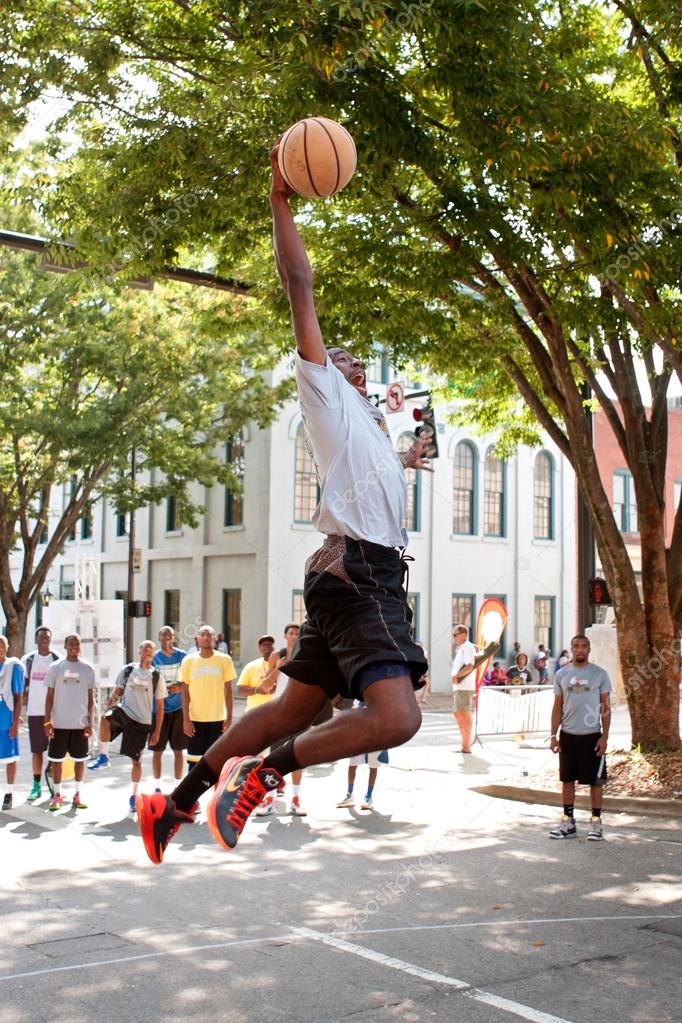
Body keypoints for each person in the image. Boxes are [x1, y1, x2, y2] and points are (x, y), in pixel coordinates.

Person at [135, 141, 430, 864]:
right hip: (359, 573)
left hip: (349, 573)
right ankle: (262, 777)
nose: (350, 360)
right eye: (342, 355)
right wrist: (279, 200)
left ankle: (174, 804)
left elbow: (379, 472)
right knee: (397, 718)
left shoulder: (370, 427)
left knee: (292, 708)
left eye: (355, 359)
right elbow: (299, 281)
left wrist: (409, 453)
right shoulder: (326, 392)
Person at [549, 634, 611, 841]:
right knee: (567, 780)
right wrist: (553, 735)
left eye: (584, 646)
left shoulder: (600, 674)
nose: (580, 649)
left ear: (589, 649)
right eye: (576, 646)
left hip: (591, 735)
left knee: (595, 782)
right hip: (568, 736)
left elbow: (605, 707)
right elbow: (557, 707)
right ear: (572, 649)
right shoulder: (561, 674)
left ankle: (596, 823)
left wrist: (604, 737)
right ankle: (568, 823)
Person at [100, 640, 167, 813]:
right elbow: (118, 691)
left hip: (142, 722)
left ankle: (133, 795)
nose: (147, 651)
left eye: (150, 649)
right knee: (105, 719)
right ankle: (103, 756)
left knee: (136, 761)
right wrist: (111, 702)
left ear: (154, 654)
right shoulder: (128, 670)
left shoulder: (156, 676)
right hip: (125, 712)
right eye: (144, 648)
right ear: (139, 651)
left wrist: (157, 731)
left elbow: (160, 706)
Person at [43, 634, 95, 811]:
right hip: (59, 724)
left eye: (77, 644)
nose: (74, 646)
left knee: (80, 760)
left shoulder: (87, 668)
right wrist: (47, 722)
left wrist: (90, 722)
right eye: (71, 643)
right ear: (65, 646)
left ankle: (77, 795)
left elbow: (90, 698)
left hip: (80, 724)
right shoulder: (55, 667)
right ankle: (57, 795)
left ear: (80, 647)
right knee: (56, 760)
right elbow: (49, 697)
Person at [180, 625, 236, 776]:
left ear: (214, 638)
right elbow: (184, 692)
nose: (206, 637)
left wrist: (229, 718)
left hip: (218, 720)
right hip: (195, 720)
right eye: (203, 634)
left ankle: (216, 791)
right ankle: (193, 791)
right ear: (197, 638)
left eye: (209, 634)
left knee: (217, 762)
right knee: (194, 763)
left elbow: (229, 691)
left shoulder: (225, 659)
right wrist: (186, 719)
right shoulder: (188, 661)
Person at [22, 627, 60, 802]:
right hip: (35, 712)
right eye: (41, 636)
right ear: (36, 639)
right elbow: (23, 687)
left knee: (56, 752)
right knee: (37, 751)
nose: (44, 639)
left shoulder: (57, 660)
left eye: (47, 636)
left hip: (55, 713)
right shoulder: (28, 660)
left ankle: (55, 786)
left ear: (50, 640)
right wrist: (19, 711)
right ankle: (36, 785)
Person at [150, 627, 187, 790]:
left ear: (174, 638)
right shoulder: (154, 658)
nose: (167, 638)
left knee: (178, 750)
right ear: (159, 638)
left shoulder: (182, 656)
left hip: (178, 709)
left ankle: (178, 786)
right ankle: (157, 787)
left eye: (170, 635)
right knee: (157, 751)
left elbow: (190, 680)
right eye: (164, 635)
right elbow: (149, 682)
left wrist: (180, 687)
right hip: (158, 710)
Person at [0, 636, 24, 811]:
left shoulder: (12, 667)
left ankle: (9, 794)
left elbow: (18, 697)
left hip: (6, 720)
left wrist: (15, 723)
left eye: (2, 645)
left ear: (7, 647)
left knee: (10, 758)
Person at [451, 625, 476, 754]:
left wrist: (457, 676)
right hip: (460, 686)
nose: (453, 637)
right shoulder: (463, 648)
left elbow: (470, 665)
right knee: (458, 713)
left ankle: (466, 745)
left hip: (464, 686)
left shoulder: (467, 646)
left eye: (455, 635)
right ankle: (464, 744)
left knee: (463, 713)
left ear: (463, 634)